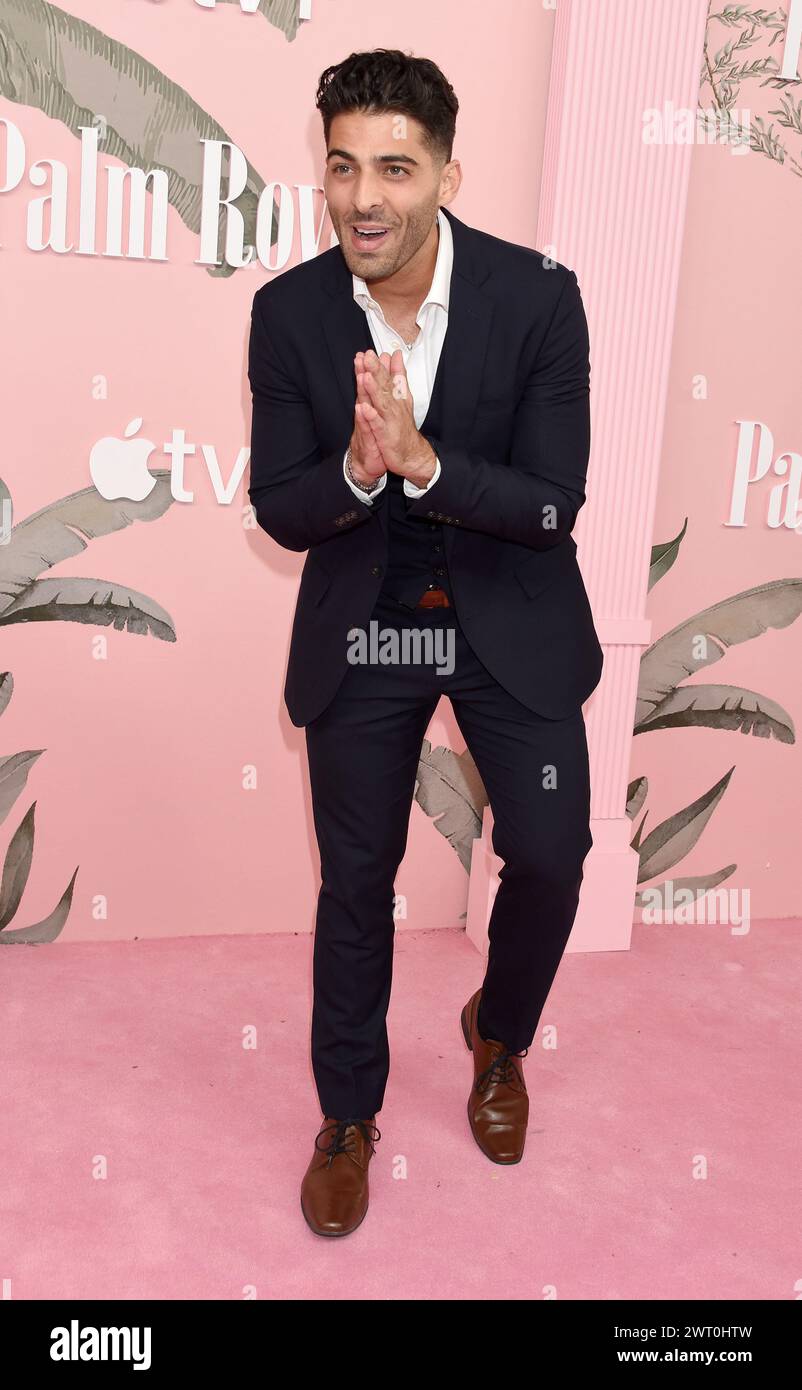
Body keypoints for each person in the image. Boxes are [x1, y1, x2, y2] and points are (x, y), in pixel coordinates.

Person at [247, 48, 603, 1237]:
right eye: (343, 166)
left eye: (395, 167)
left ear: (448, 173)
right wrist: (356, 469)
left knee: (550, 851)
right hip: (370, 628)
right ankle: (348, 1114)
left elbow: (556, 502)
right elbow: (281, 509)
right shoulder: (287, 313)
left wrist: (428, 465)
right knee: (357, 884)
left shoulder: (539, 296)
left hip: (509, 617)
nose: (364, 197)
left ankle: (497, 1033)